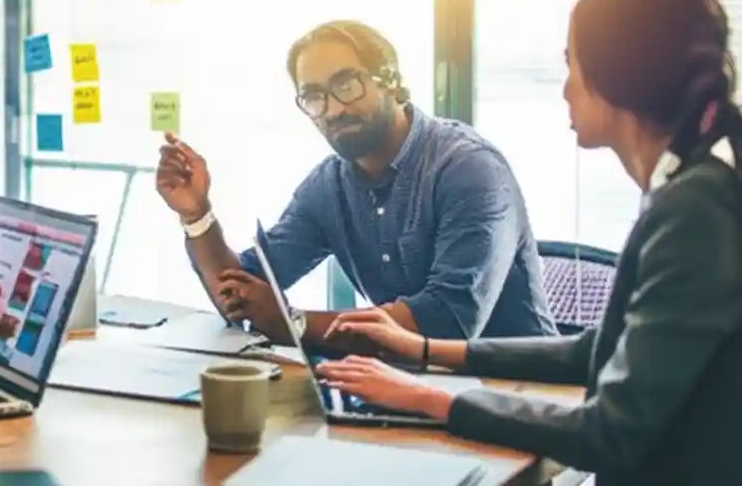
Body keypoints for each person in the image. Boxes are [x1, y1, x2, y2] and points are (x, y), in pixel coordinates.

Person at [315, 0, 742, 485]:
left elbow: (610, 432)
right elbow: (600, 349)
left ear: (615, 78)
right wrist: (424, 351)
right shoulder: (689, 190)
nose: (564, 89)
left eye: (572, 66)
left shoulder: (695, 211)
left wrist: (428, 398)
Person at [156, 20, 556, 347]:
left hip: (521, 394)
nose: (332, 109)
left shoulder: (467, 168)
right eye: (314, 96)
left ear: (391, 81)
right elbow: (243, 295)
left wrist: (294, 323)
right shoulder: (329, 186)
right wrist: (197, 215)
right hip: (407, 389)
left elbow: (447, 320)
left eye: (346, 86)